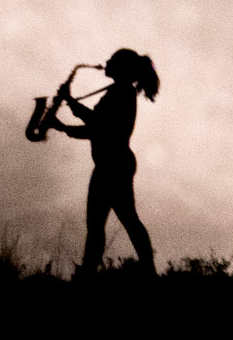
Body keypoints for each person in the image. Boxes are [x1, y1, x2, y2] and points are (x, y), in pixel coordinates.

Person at [50, 48, 159, 277]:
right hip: (115, 163)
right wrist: (69, 109)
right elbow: (96, 127)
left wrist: (65, 118)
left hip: (112, 164)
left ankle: (91, 271)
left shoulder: (121, 93)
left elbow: (97, 127)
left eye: (112, 60)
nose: (106, 62)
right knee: (124, 220)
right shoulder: (120, 92)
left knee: (104, 224)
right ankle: (145, 269)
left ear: (121, 67)